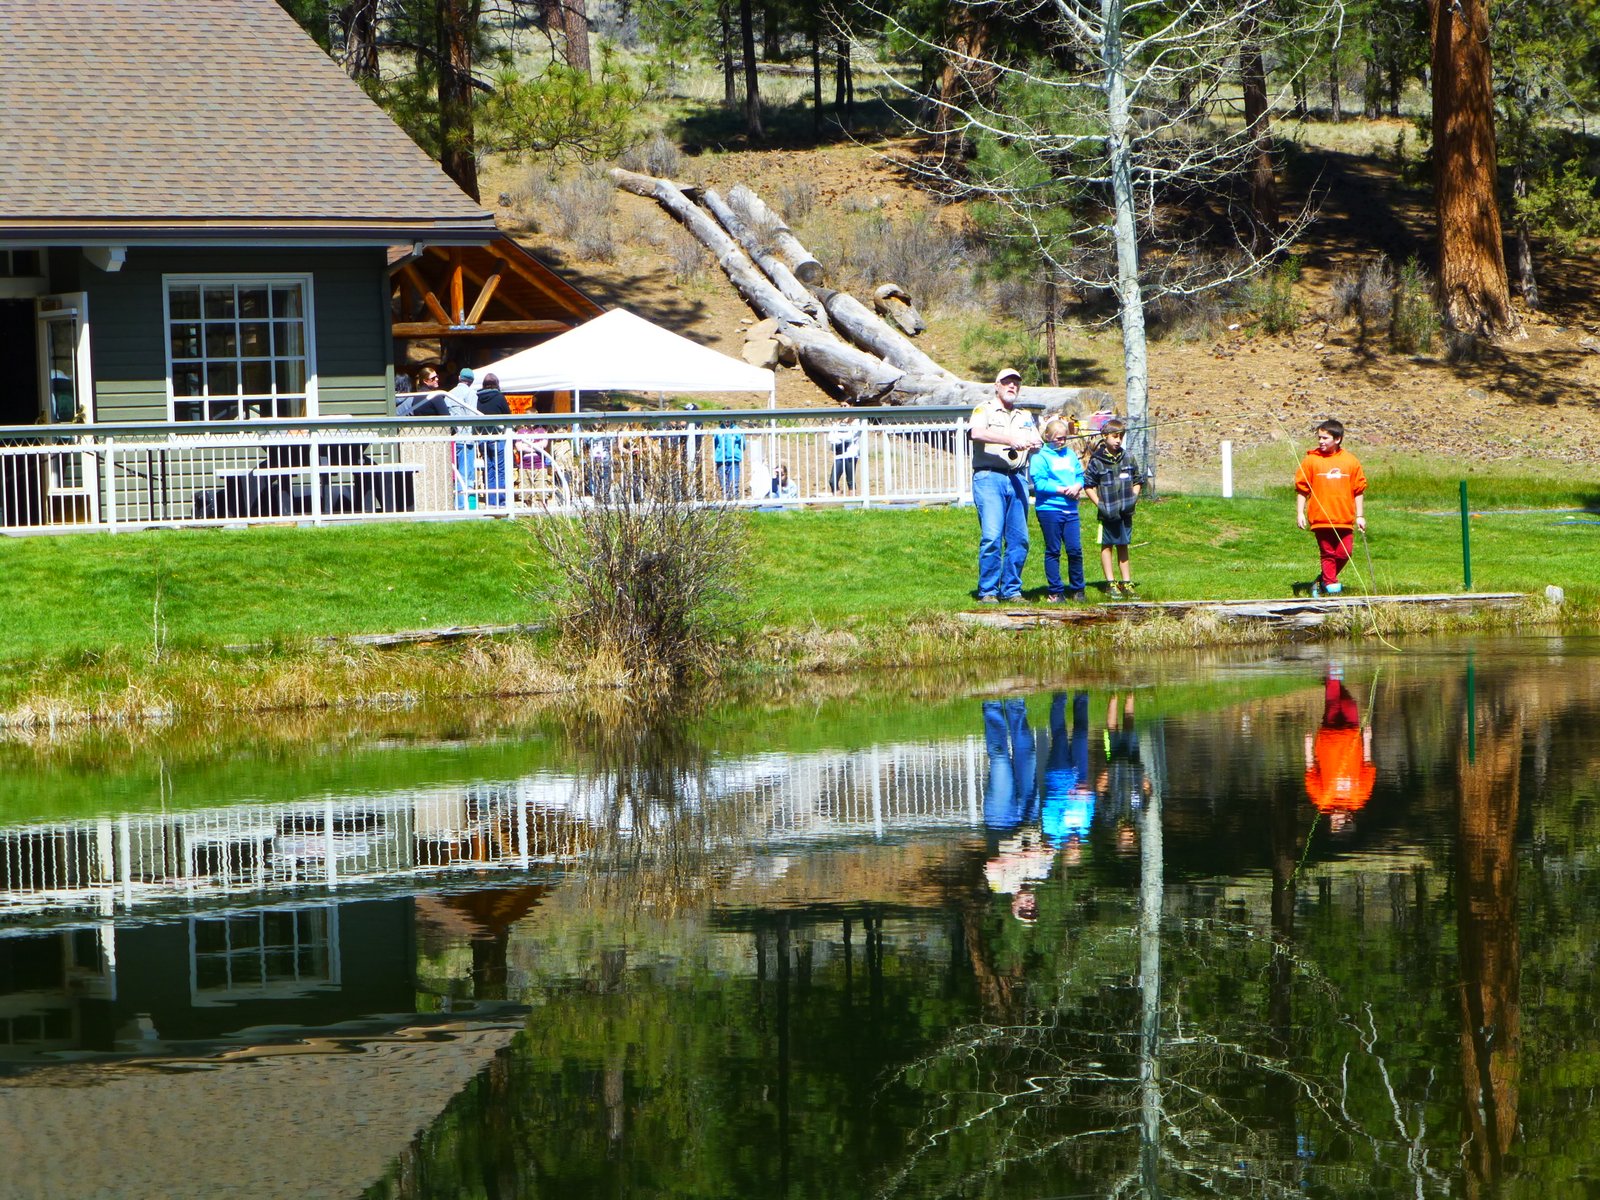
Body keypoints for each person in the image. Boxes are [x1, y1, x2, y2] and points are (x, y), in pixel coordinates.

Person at [970, 367, 1041, 603]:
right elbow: (977, 433)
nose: (1012, 386)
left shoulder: (1024, 416)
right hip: (989, 477)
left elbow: (1035, 439)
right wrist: (1010, 439)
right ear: (997, 385)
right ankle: (988, 591)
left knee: (1019, 538)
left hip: (1018, 477)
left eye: (1016, 383)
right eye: (1007, 382)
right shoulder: (984, 409)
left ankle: (1012, 590)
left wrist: (1035, 444)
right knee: (991, 536)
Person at [1294, 418, 1367, 597]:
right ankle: (1332, 587)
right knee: (1327, 553)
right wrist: (1300, 513)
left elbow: (1359, 490)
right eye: (1319, 437)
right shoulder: (1311, 460)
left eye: (1325, 438)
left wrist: (1360, 516)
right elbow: (1302, 489)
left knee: (1344, 553)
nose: (1321, 441)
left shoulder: (1350, 461)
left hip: (1344, 518)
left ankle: (1322, 580)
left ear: (1338, 439)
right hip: (1321, 518)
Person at [1304, 663, 1375, 832]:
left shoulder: (1322, 801)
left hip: (1328, 737)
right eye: (1338, 823)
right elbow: (1367, 765)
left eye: (1333, 824)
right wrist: (1367, 739)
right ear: (1348, 818)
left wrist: (1308, 746)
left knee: (1333, 702)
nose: (1333, 820)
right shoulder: (1359, 798)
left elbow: (1310, 772)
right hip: (1352, 736)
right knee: (1350, 704)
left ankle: (1333, 666)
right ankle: (1331, 677)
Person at [1082, 418, 1145, 597]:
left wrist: (1133, 498)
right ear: (1105, 436)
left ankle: (1126, 582)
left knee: (1123, 545)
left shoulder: (1128, 457)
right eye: (1114, 436)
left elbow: (1138, 480)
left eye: (1120, 437)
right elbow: (1088, 485)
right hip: (1108, 511)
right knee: (1107, 545)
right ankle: (1111, 583)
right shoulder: (1097, 460)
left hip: (1125, 511)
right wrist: (1099, 504)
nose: (1118, 440)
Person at [1028, 418, 1087, 602]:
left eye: (1064, 438)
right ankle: (1056, 591)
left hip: (1071, 509)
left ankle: (1078, 590)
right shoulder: (1040, 456)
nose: (1061, 442)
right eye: (1057, 438)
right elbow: (1040, 484)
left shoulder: (1069, 454)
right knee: (1053, 550)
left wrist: (1077, 486)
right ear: (1047, 437)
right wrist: (1063, 490)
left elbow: (1079, 475)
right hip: (1049, 509)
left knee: (1074, 549)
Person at [1041, 691, 1094, 865]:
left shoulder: (1054, 829)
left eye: (1072, 849)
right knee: (1081, 734)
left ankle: (1059, 698)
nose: (1075, 844)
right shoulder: (1084, 827)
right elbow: (1091, 802)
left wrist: (1069, 796)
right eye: (1077, 848)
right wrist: (1086, 793)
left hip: (1059, 775)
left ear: (1065, 849)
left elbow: (1049, 804)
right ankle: (1081, 696)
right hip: (1080, 776)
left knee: (1060, 736)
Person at [446, 367, 482, 509]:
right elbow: (473, 417)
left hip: (454, 438)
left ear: (459, 378)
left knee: (455, 473)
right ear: (471, 381)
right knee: (466, 474)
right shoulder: (471, 393)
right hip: (467, 439)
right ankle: (464, 506)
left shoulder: (449, 394)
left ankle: (457, 503)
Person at [474, 372, 511, 507]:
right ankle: (501, 501)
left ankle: (490, 500)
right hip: (498, 437)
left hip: (483, 437)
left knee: (488, 469)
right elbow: (508, 415)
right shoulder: (499, 397)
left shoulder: (477, 398)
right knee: (500, 470)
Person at [828, 412, 862, 493]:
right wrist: (841, 438)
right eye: (841, 406)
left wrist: (838, 436)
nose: (843, 408)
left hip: (851, 453)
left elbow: (851, 437)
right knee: (832, 481)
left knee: (850, 481)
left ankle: (853, 502)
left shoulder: (856, 421)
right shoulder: (837, 422)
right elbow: (830, 437)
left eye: (845, 405)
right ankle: (838, 501)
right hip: (839, 454)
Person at [712, 422, 745, 499]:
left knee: (734, 486)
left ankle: (736, 507)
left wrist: (736, 452)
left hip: (734, 462)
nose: (727, 420)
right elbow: (715, 445)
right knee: (724, 487)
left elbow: (743, 445)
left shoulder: (737, 430)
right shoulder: (717, 430)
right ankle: (726, 507)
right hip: (721, 462)